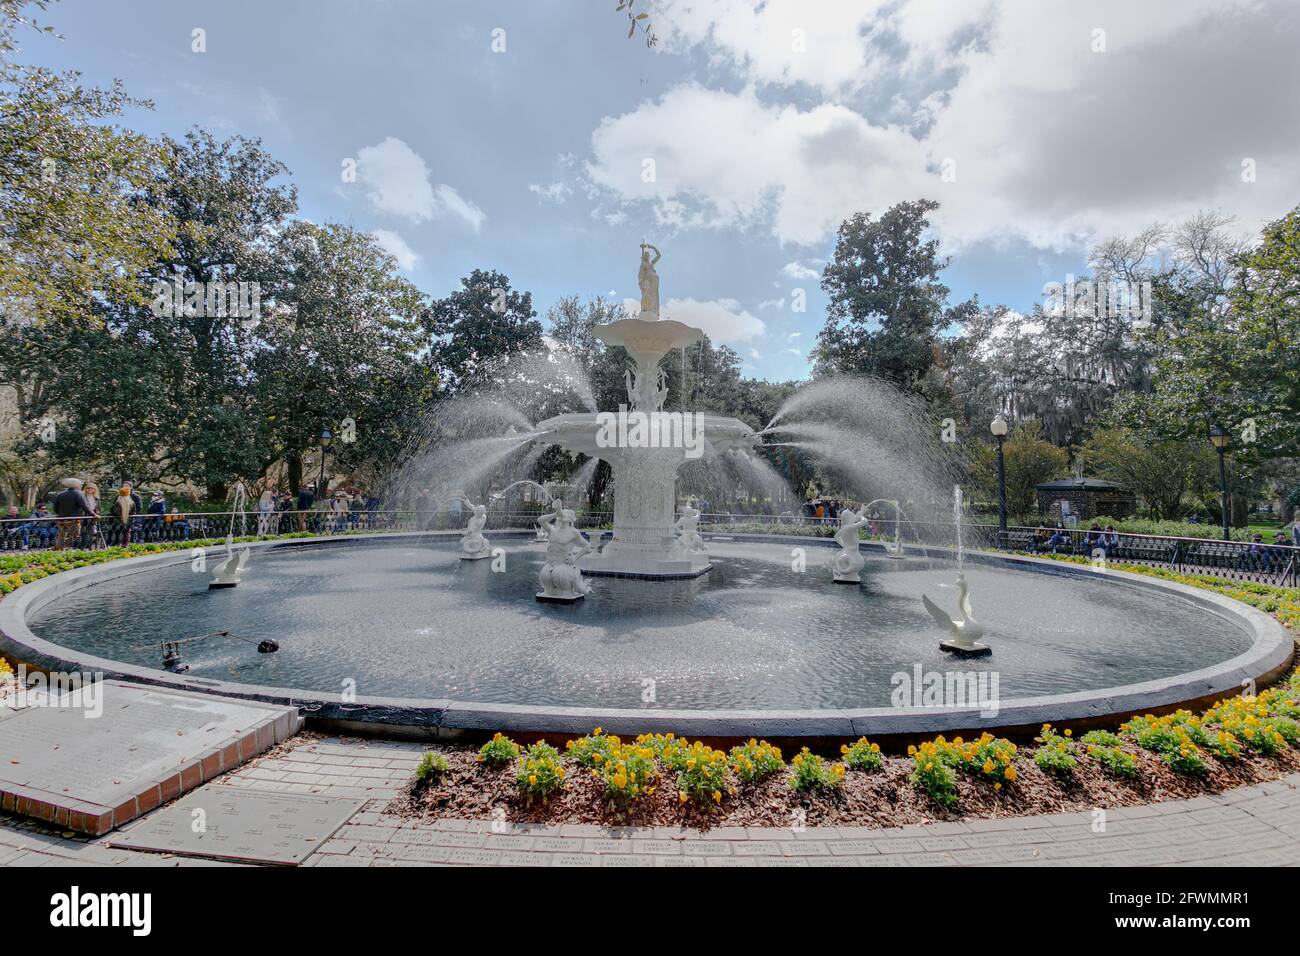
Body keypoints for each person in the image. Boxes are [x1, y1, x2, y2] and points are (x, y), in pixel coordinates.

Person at [53, 478, 91, 550]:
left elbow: (55, 508)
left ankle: (58, 548)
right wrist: (94, 514)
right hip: (74, 519)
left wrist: (60, 514)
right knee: (75, 535)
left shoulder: (60, 494)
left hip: (62, 519)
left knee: (61, 535)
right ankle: (63, 547)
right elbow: (85, 506)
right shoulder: (79, 493)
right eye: (80, 485)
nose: (81, 486)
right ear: (77, 485)